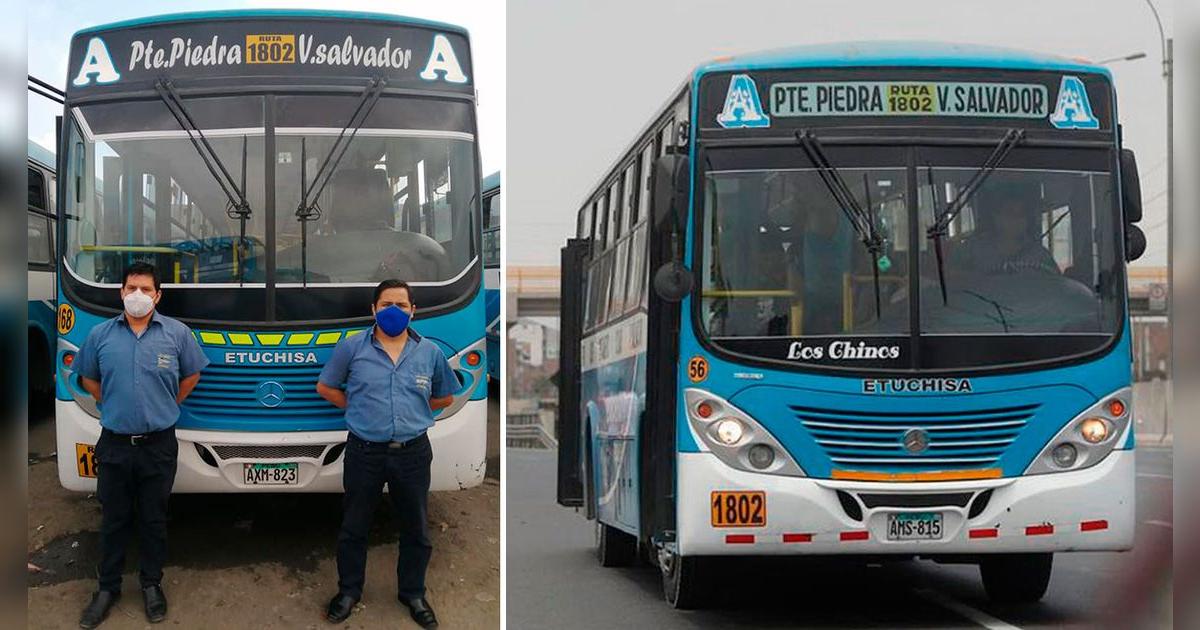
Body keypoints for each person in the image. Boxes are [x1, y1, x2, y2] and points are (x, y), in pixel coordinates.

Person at [317, 279, 460, 628]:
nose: (393, 311)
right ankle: (349, 591)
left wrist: (418, 414)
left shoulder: (429, 353)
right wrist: (358, 410)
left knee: (416, 528)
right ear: (373, 310)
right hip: (365, 452)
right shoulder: (352, 348)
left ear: (413, 310)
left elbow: (445, 396)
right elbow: (326, 386)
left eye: (400, 304)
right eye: (385, 305)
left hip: (412, 454)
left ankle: (413, 593)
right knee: (354, 526)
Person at [74, 262, 209, 629]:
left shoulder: (177, 334)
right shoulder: (101, 335)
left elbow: (192, 374)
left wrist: (167, 404)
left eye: (146, 290)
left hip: (158, 445)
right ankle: (107, 589)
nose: (138, 296)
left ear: (158, 295)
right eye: (131, 288)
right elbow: (88, 377)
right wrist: (113, 405)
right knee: (114, 520)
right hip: (115, 445)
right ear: (121, 292)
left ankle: (151, 585)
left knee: (154, 520)